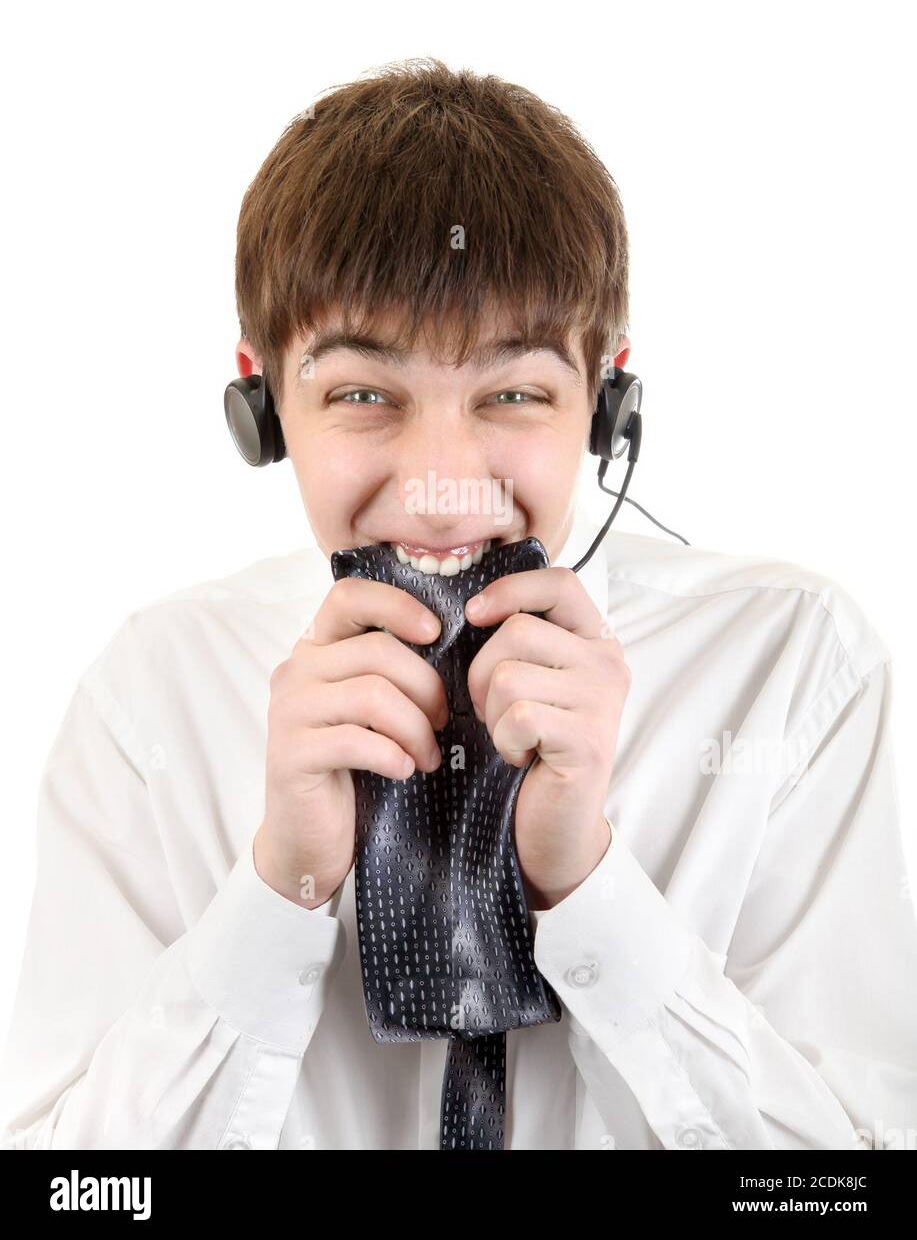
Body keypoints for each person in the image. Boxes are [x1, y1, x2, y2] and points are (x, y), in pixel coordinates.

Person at [2, 59, 915, 1150]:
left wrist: (586, 889)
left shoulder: (792, 671)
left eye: (514, 392)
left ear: (606, 402)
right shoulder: (151, 694)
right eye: (360, 394)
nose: (441, 483)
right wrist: (277, 892)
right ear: (262, 404)